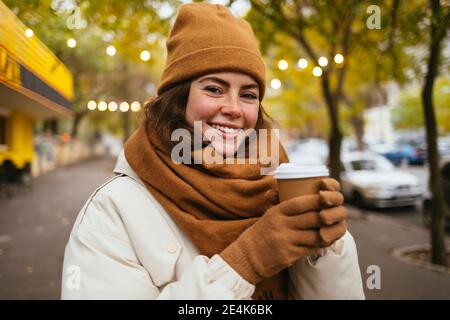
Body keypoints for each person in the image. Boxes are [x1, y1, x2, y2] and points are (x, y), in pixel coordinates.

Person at [61, 3, 364, 300]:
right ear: (179, 98)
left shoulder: (276, 185)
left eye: (248, 95)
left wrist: (325, 248)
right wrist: (246, 261)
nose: (233, 109)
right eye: (214, 89)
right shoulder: (113, 209)